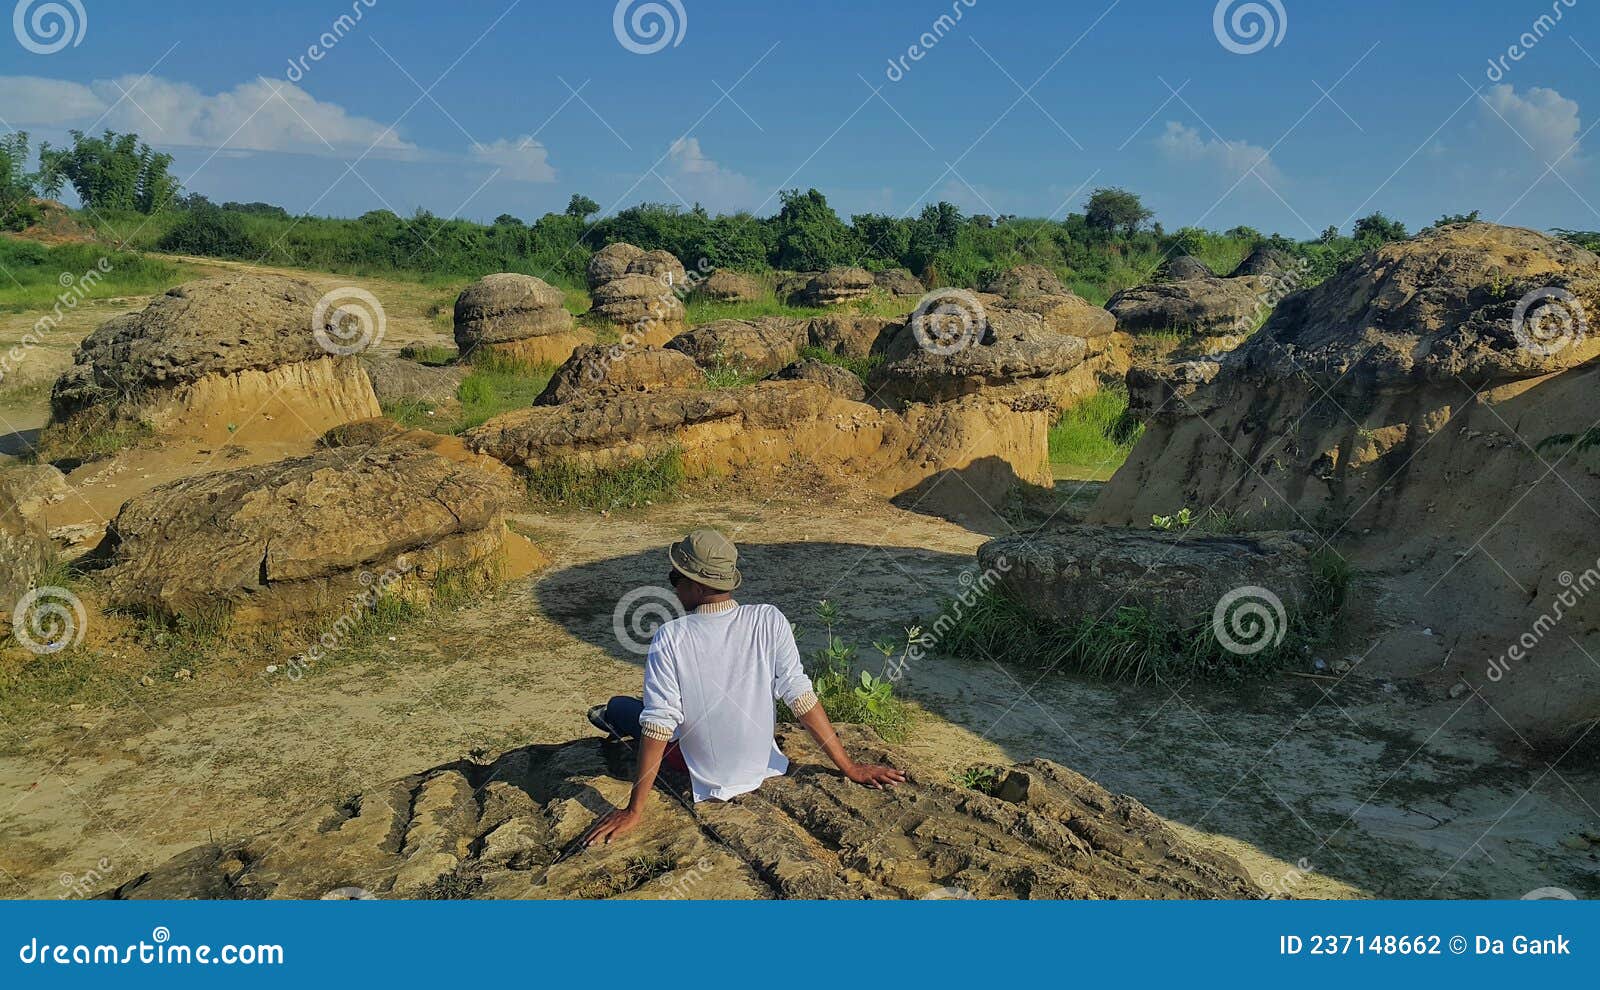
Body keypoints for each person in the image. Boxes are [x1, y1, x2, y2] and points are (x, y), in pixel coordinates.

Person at [582, 528, 906, 846]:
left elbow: (658, 725)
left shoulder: (670, 636)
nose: (673, 585)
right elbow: (799, 694)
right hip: (761, 764)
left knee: (626, 709)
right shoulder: (769, 619)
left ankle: (609, 713)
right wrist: (848, 766)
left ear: (695, 586)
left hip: (702, 771)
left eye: (675, 578)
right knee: (656, 708)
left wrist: (634, 809)